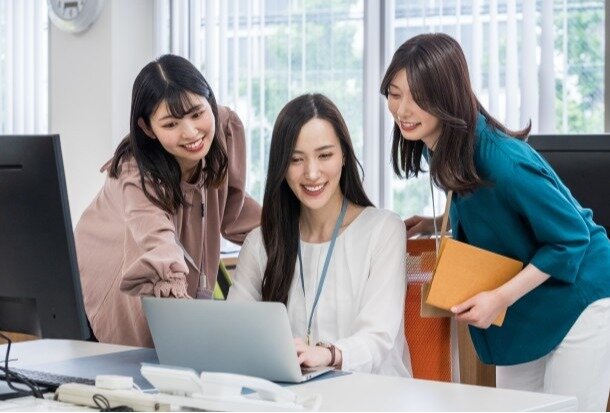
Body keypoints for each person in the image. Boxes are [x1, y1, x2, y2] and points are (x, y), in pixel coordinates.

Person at [381, 33, 610, 410]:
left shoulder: (502, 162)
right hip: (533, 303)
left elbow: (571, 239)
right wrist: (434, 221)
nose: (403, 110)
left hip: (581, 296)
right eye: (394, 94)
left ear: (446, 95)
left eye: (418, 97)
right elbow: (491, 209)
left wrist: (499, 297)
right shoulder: (442, 145)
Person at [75, 54, 261, 347]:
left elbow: (232, 209)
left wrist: (293, 227)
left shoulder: (223, 130)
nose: (191, 132)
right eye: (171, 124)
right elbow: (156, 239)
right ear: (148, 128)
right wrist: (174, 286)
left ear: (209, 101)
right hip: (108, 276)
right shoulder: (137, 172)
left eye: (196, 114)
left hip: (169, 267)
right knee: (140, 358)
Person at [227, 93, 411, 376]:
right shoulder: (261, 243)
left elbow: (378, 337)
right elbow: (234, 329)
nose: (311, 173)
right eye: (296, 159)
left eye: (325, 155)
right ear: (281, 166)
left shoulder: (384, 230)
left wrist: (327, 354)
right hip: (292, 394)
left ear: (344, 155)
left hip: (372, 392)